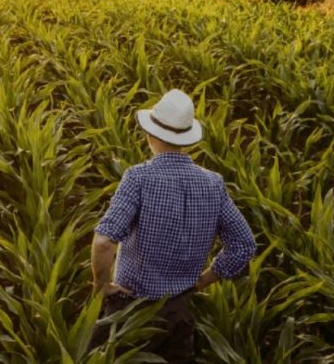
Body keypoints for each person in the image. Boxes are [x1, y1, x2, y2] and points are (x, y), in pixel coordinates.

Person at [89, 89, 256, 362]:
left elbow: (104, 241)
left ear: (149, 135)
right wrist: (202, 281)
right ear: (186, 140)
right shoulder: (213, 183)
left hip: (131, 311)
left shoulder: (138, 178)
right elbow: (244, 245)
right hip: (179, 312)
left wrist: (101, 286)